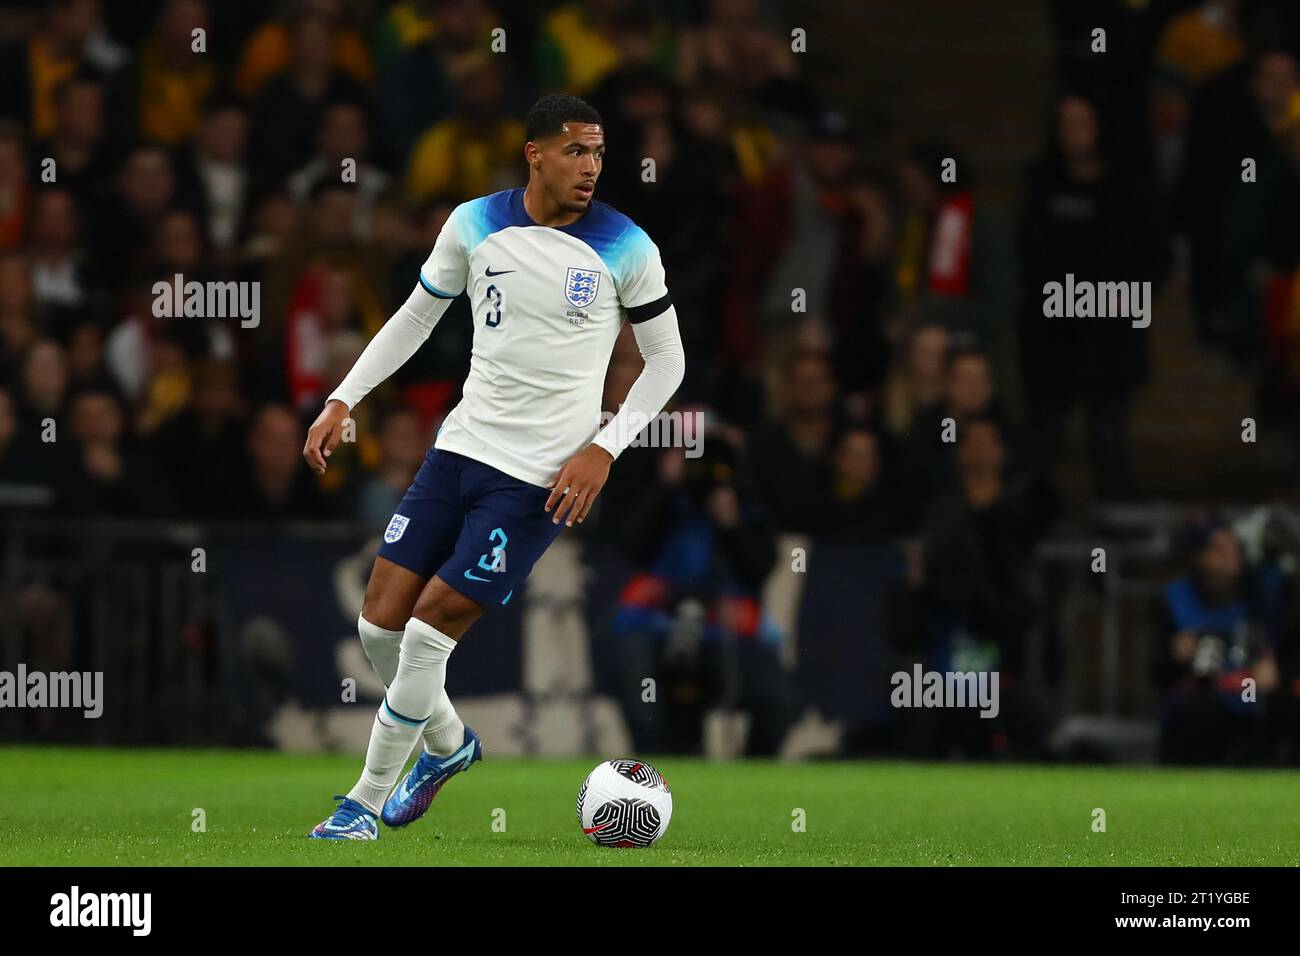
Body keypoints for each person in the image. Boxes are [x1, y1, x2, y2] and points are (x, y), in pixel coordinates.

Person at [301, 93, 686, 839]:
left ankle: (362, 805)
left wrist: (606, 444)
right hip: (459, 450)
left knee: (426, 632)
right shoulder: (473, 223)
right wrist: (345, 398)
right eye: (577, 150)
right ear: (534, 153)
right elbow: (417, 316)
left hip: (539, 481)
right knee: (379, 625)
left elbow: (668, 361)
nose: (592, 167)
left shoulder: (627, 245)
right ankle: (447, 747)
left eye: (601, 153)